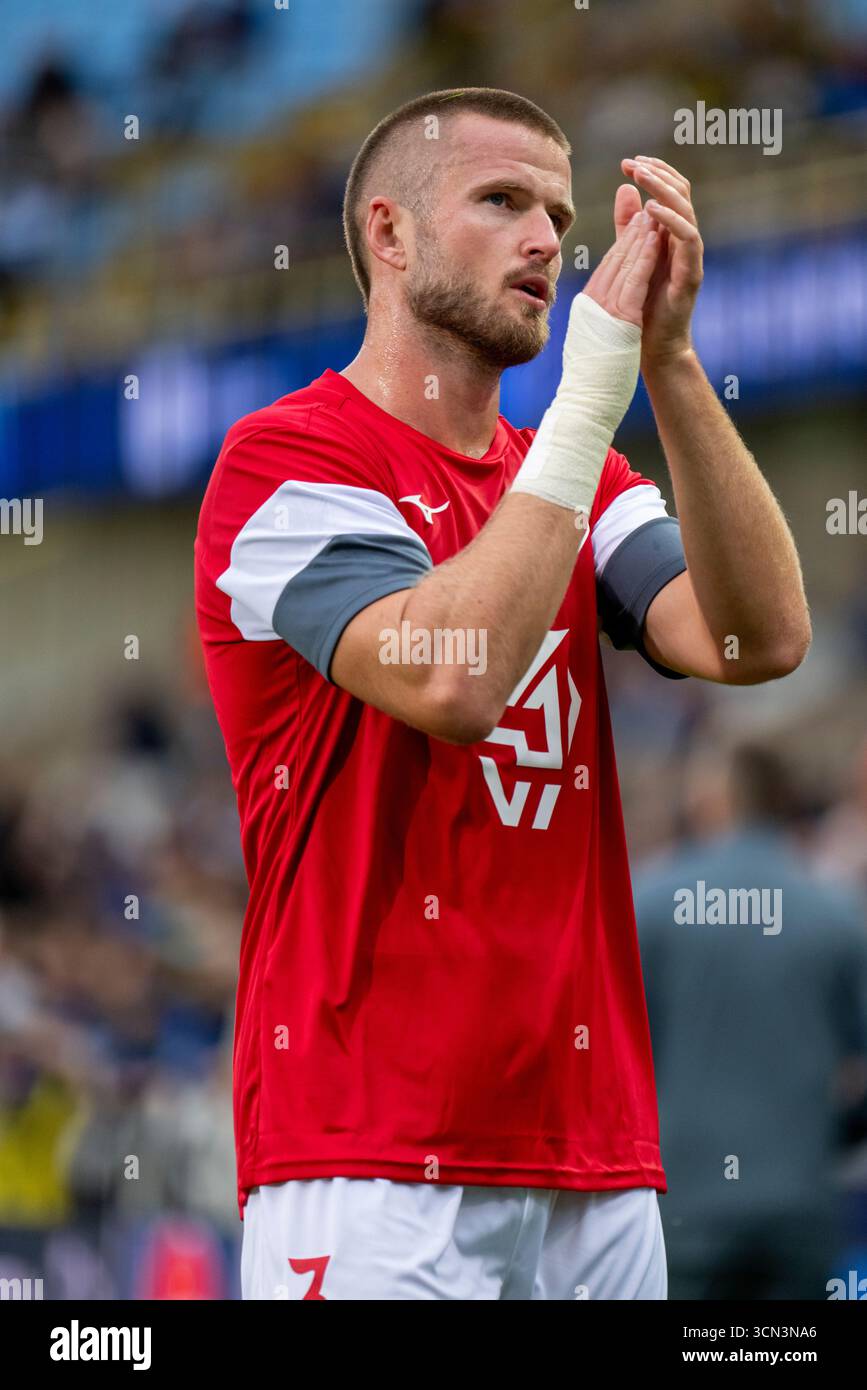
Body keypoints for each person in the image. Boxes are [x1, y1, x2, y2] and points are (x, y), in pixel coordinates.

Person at [194, 87, 810, 1300]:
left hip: (592, 1146)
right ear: (390, 233)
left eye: (561, 214)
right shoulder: (287, 458)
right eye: (501, 202)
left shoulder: (576, 475)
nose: (549, 242)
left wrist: (670, 365)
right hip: (371, 1146)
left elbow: (756, 638)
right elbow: (454, 677)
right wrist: (587, 400)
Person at [634, 742, 867, 1300]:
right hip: (800, 1202)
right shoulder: (835, 911)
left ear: (711, 802)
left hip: (685, 1203)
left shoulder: (653, 904)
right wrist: (828, 1133)